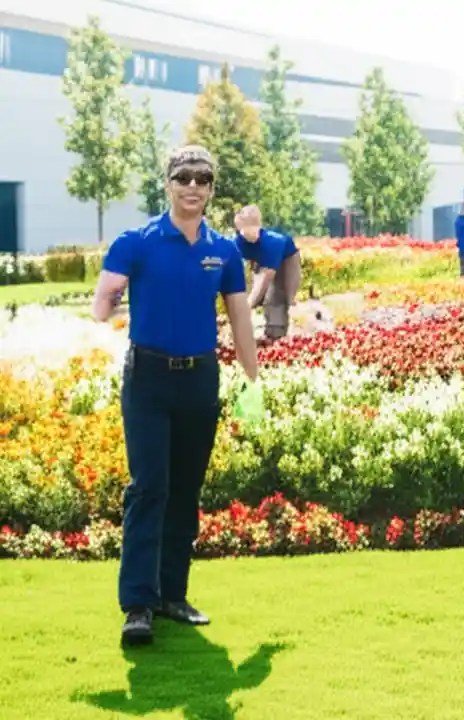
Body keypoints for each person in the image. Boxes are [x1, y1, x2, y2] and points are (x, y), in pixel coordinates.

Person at [91, 145, 261, 646]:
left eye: (202, 178)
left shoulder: (224, 252)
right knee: (149, 488)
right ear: (167, 182)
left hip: (199, 379)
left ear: (211, 188)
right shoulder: (136, 242)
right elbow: (101, 304)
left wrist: (253, 379)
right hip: (147, 379)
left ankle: (172, 595)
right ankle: (138, 605)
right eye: (183, 176)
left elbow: (239, 317)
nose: (193, 186)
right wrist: (109, 298)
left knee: (185, 490)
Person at [232, 205, 301, 341]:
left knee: (275, 294)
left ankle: (276, 332)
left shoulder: (273, 242)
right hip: (257, 259)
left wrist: (248, 305)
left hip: (286, 259)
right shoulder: (236, 242)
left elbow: (265, 278)